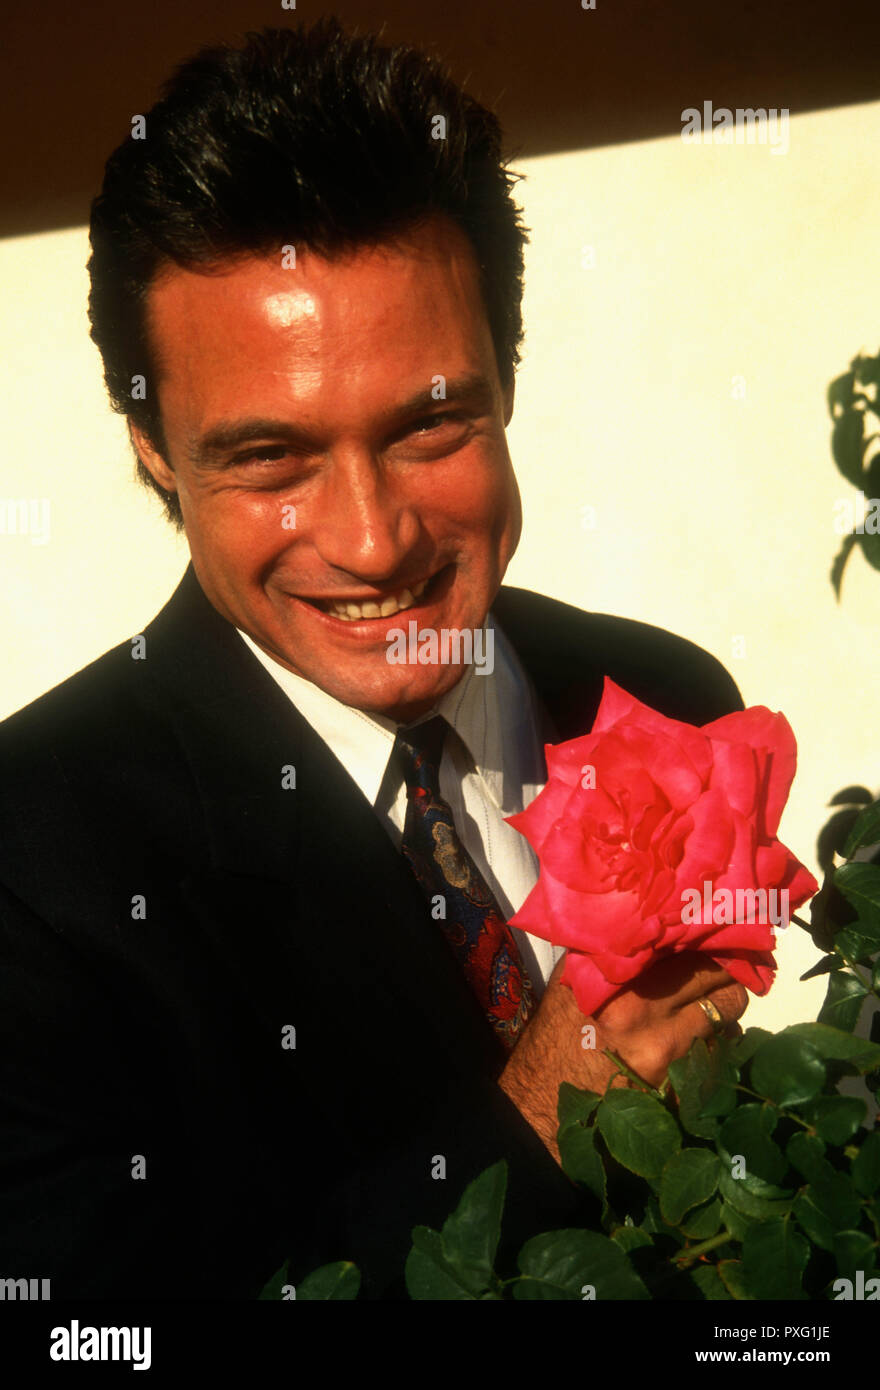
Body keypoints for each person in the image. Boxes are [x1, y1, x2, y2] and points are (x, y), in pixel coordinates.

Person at [0, 19, 748, 1300]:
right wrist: (536, 1119)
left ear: (508, 379)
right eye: (269, 457)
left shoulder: (668, 699)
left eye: (428, 424)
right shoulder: (29, 861)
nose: (371, 538)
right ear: (151, 448)